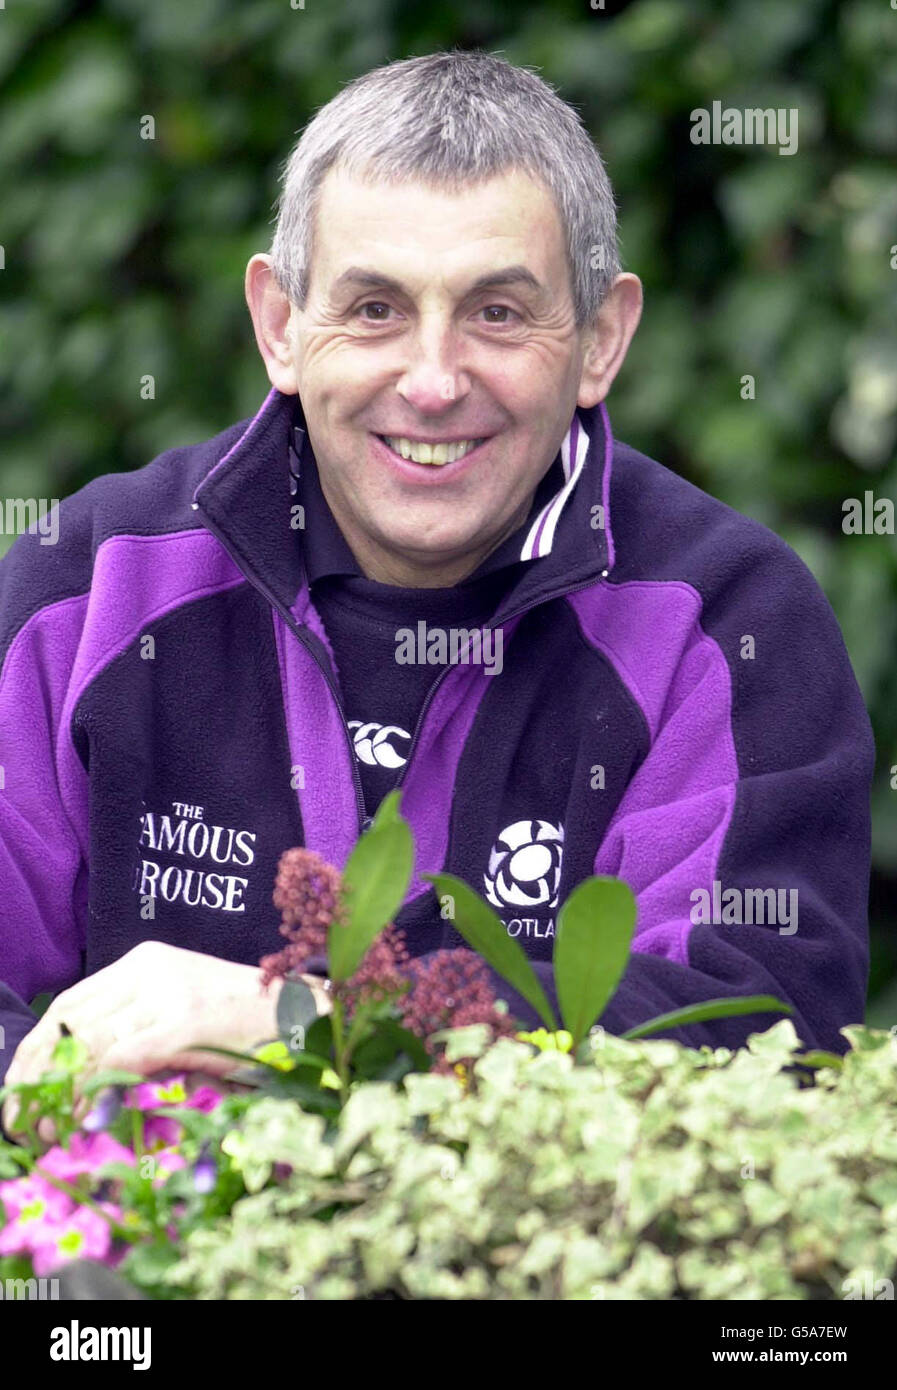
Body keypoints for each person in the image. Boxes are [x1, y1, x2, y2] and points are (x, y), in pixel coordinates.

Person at [0, 51, 874, 1133]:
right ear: (280, 325)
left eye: (498, 313)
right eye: (373, 307)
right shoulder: (87, 585)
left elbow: (766, 1038)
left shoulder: (730, 623)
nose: (431, 380)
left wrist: (309, 1028)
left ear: (601, 338)